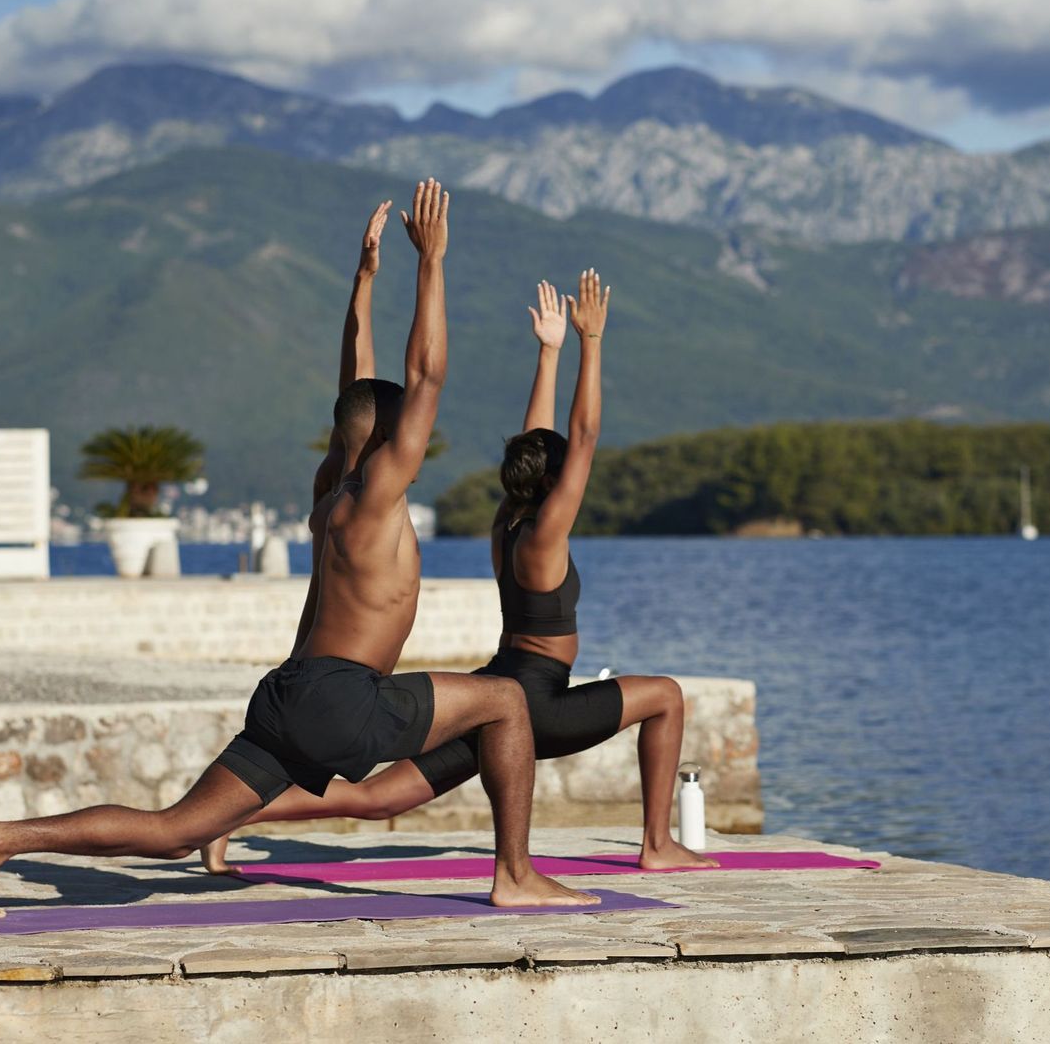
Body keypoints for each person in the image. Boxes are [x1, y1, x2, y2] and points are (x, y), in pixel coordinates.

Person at [0, 179, 599, 915]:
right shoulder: (379, 494)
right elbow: (425, 375)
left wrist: (362, 284)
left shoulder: (334, 491)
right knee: (508, 700)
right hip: (341, 696)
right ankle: (515, 873)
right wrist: (432, 263)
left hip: (289, 691)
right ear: (389, 440)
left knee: (172, 830)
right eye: (404, 428)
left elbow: (355, 390)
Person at [201, 269, 714, 873]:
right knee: (666, 697)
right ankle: (657, 843)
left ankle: (233, 814)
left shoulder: (509, 521)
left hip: (499, 680)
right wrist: (591, 343)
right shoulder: (547, 533)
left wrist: (548, 353)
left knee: (377, 797)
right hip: (539, 701)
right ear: (557, 485)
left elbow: (538, 441)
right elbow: (582, 436)